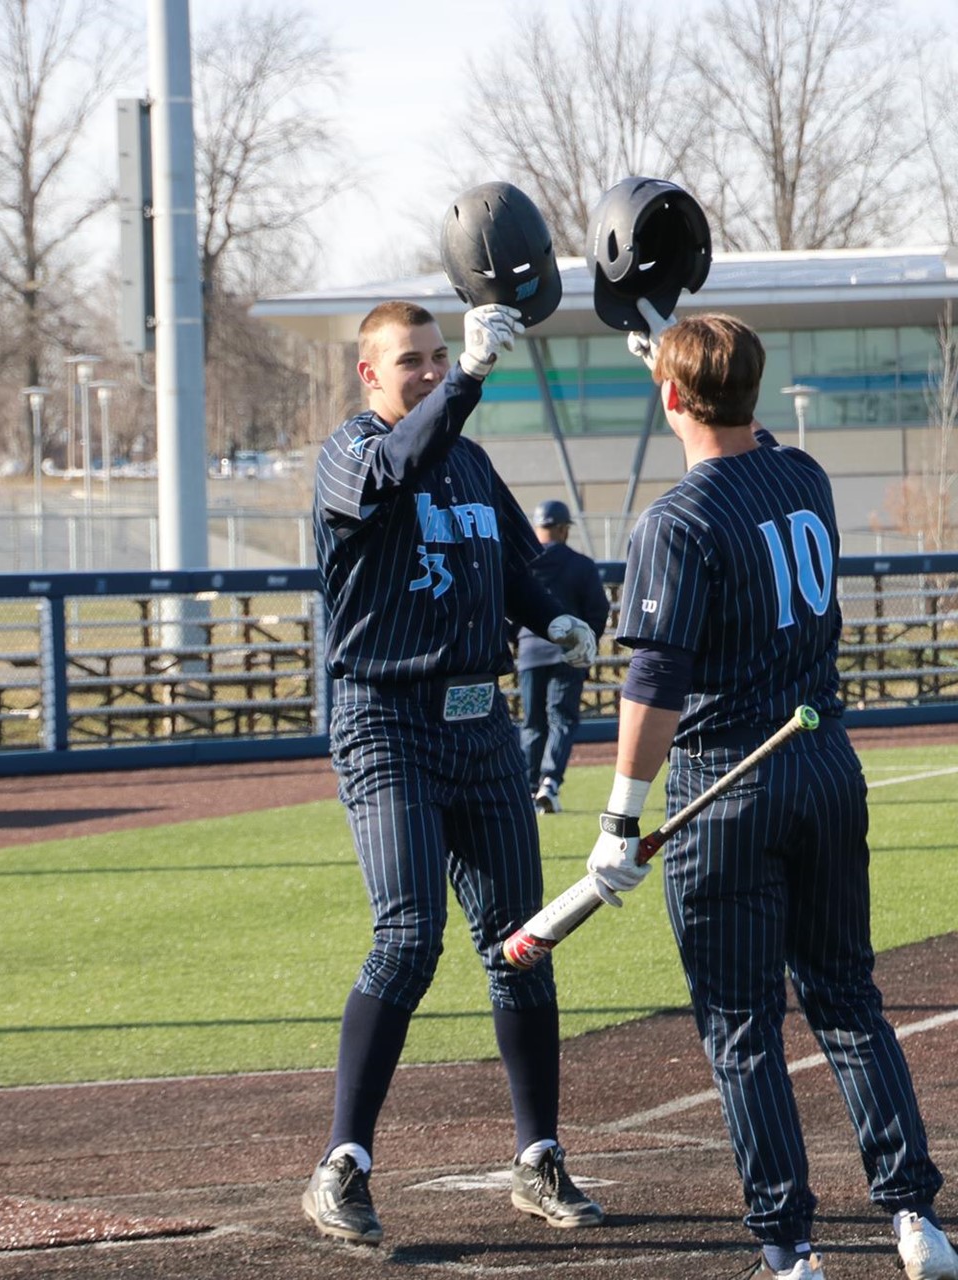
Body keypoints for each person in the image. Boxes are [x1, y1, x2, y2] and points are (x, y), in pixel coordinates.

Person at [585, 313, 958, 1280]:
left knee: (742, 1025)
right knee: (847, 1000)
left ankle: (789, 1249)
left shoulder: (672, 522)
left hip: (727, 784)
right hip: (825, 764)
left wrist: (619, 819)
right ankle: (915, 1220)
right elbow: (746, 436)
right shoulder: (804, 475)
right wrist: (682, 368)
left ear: (670, 398)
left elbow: (654, 685)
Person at [302, 299, 605, 1246]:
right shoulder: (351, 452)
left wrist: (554, 617)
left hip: (482, 727)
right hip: (387, 719)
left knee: (524, 942)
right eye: (414, 360)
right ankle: (342, 1163)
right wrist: (470, 378)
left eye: (441, 356)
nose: (432, 370)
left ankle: (538, 1156)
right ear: (369, 374)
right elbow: (396, 468)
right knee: (408, 936)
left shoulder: (471, 461)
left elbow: (515, 565)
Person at [516, 499, 612, 814]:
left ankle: (528, 788)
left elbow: (509, 609)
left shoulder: (522, 563)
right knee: (561, 720)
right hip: (567, 653)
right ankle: (549, 783)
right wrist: (587, 644)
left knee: (532, 723)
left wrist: (518, 641)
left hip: (530, 652)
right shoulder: (581, 564)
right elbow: (598, 610)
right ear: (562, 529)